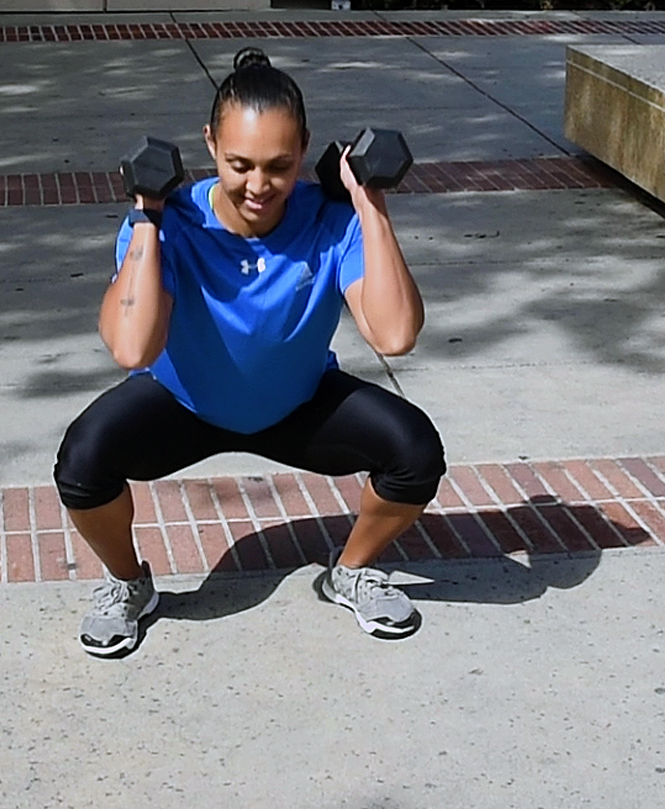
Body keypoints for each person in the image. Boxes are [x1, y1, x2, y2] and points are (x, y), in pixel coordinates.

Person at [53, 48, 444, 657]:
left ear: (306, 149)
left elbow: (394, 335)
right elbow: (133, 347)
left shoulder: (331, 221)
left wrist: (370, 204)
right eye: (240, 164)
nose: (259, 186)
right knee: (83, 461)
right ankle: (129, 583)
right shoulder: (172, 221)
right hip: (185, 406)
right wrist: (148, 218)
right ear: (209, 143)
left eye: (280, 166)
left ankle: (351, 570)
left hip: (298, 405)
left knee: (415, 451)